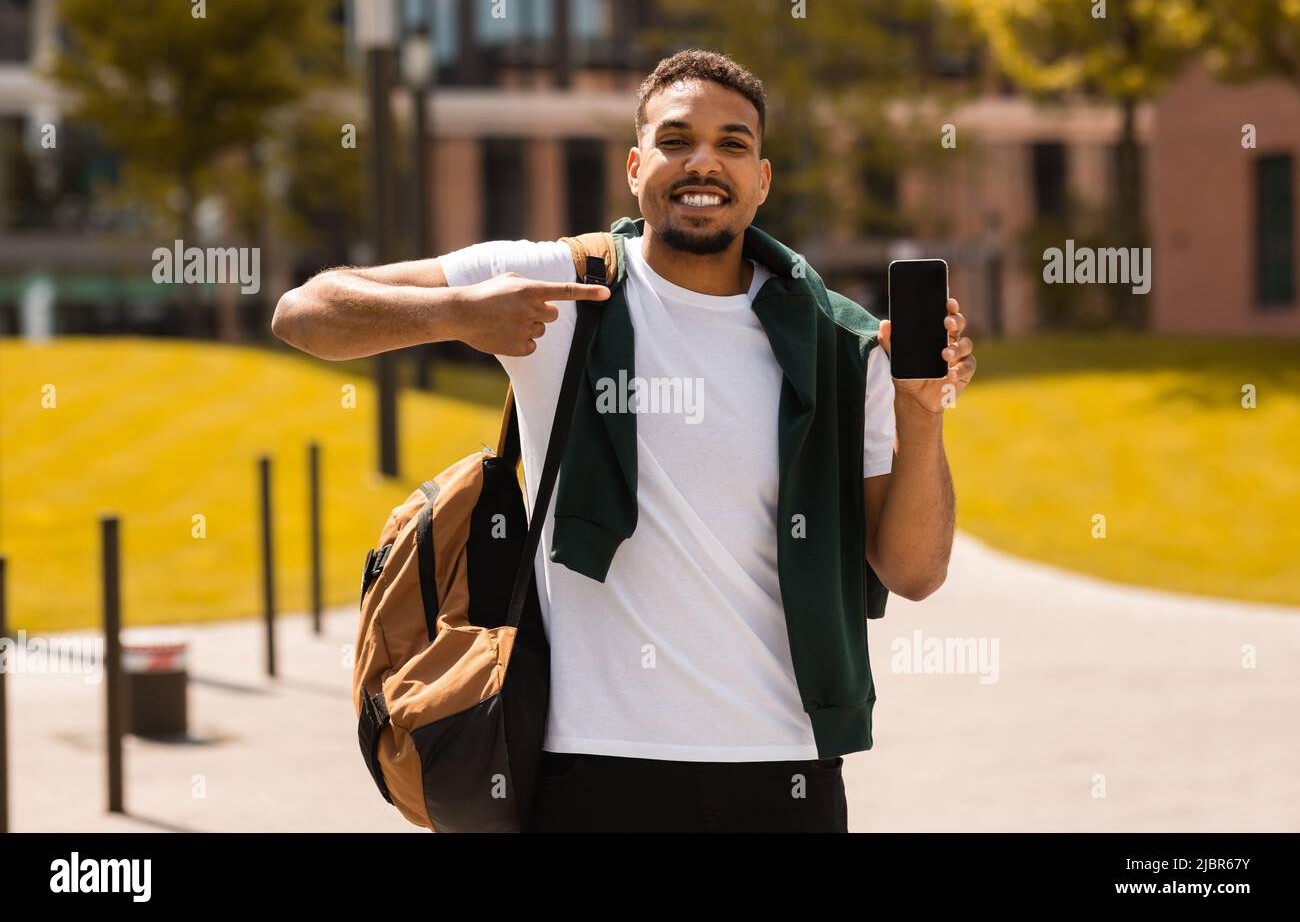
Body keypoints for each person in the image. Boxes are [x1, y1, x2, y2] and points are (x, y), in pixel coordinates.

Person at [272, 49, 976, 833]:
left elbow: (914, 573)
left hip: (786, 767)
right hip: (588, 765)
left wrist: (922, 413)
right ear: (636, 167)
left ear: (763, 180)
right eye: (676, 141)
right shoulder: (560, 286)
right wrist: (456, 314)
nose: (703, 161)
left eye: (733, 144)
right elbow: (306, 310)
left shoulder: (842, 347)